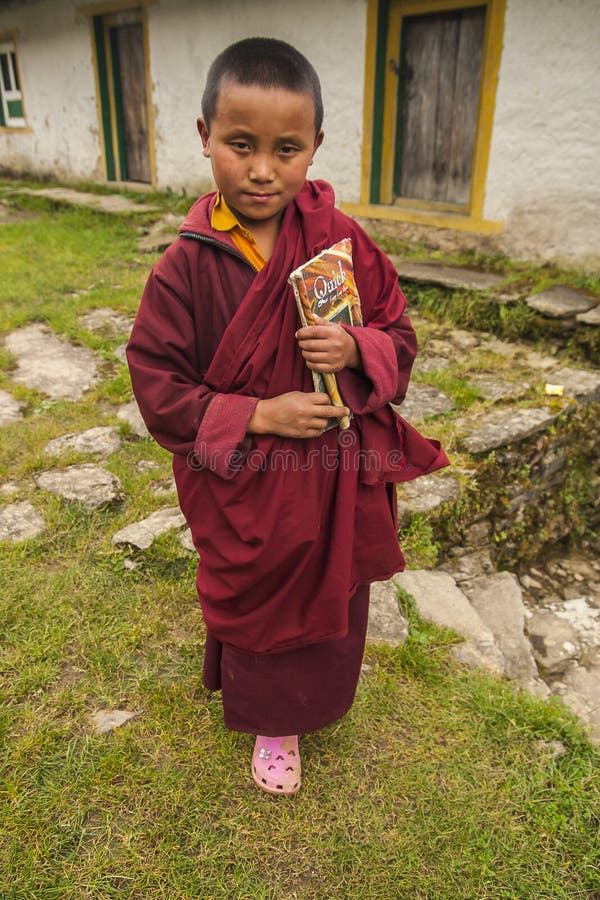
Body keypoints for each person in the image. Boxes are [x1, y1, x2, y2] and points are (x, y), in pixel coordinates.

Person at [126, 37, 448, 796]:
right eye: (241, 145)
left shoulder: (340, 240)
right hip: (250, 480)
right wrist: (258, 415)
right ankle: (274, 724)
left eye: (286, 149)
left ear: (316, 147)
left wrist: (357, 347)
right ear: (205, 135)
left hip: (332, 471)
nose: (263, 169)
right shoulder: (184, 268)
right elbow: (157, 385)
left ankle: (317, 701)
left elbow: (400, 335)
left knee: (332, 592)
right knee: (262, 600)